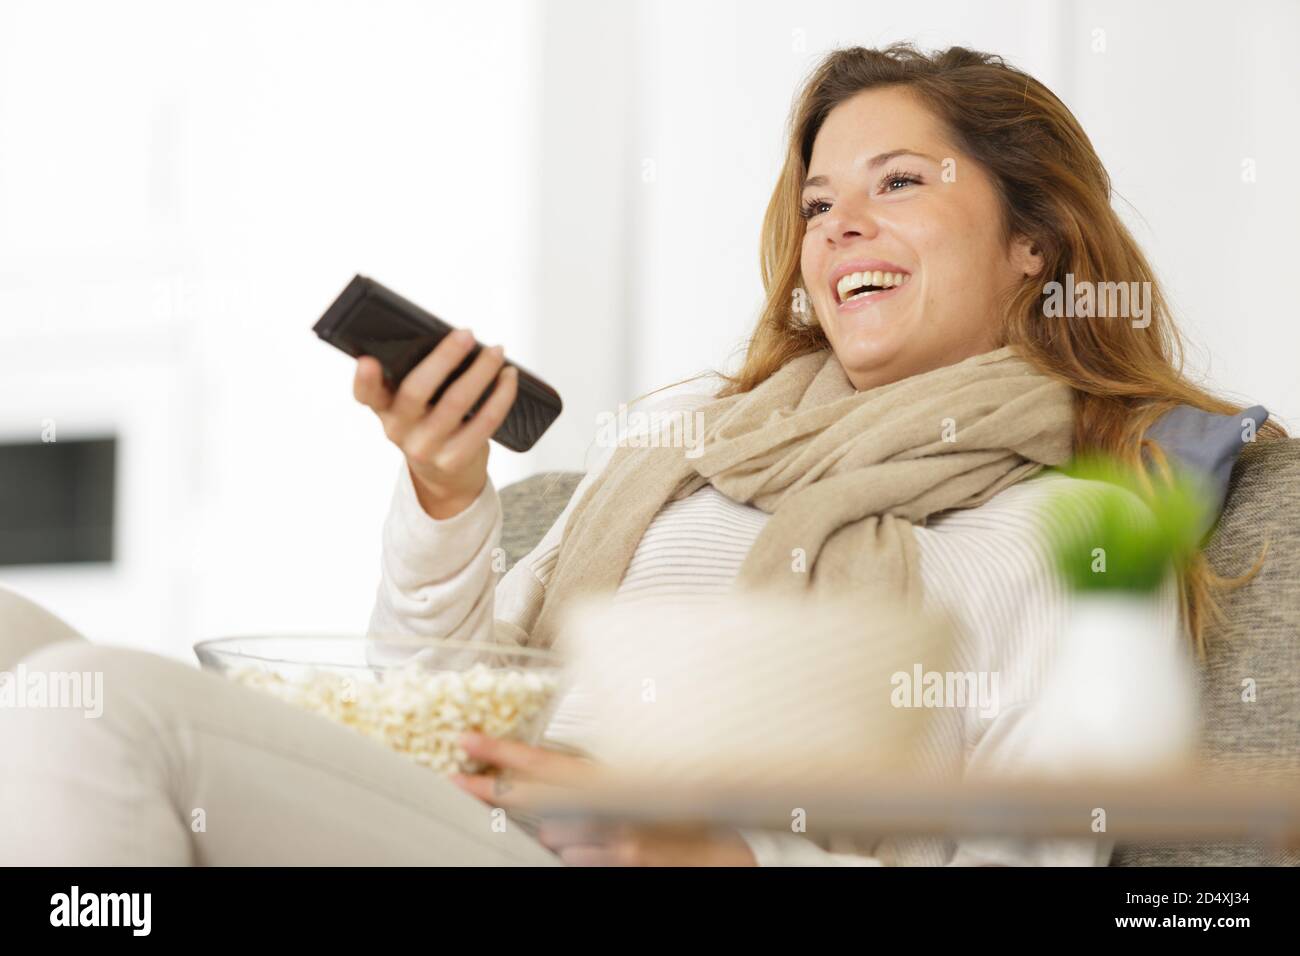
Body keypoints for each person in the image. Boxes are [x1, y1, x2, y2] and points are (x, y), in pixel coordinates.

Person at [0, 43, 1273, 866]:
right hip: (462, 807)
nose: (841, 228)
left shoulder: (1083, 521)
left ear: (1032, 245)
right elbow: (441, 690)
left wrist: (707, 848)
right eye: (820, 202)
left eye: (898, 182)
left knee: (97, 707)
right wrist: (448, 496)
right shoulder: (692, 445)